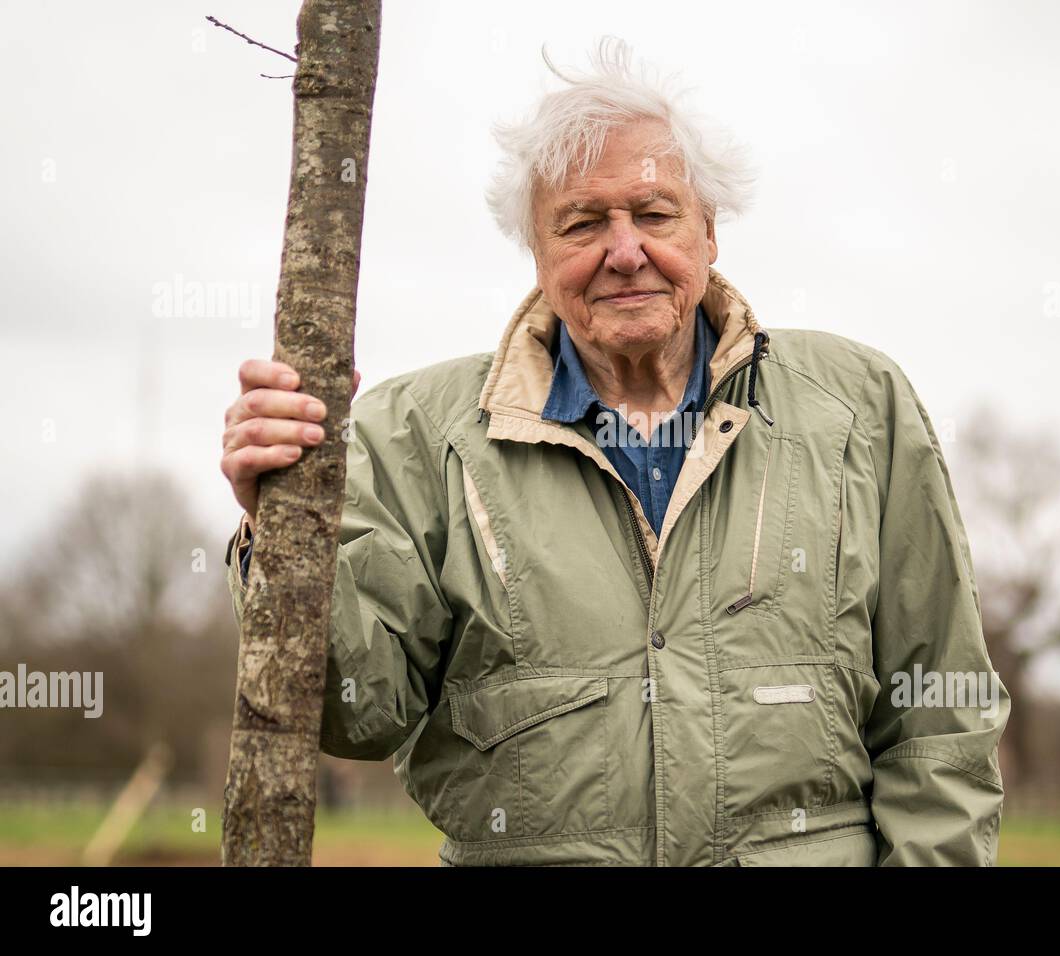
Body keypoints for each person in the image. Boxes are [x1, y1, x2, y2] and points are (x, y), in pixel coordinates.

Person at [220, 37, 1008, 866]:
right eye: (583, 222)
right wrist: (281, 525)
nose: (624, 250)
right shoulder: (411, 433)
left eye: (655, 214)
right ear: (539, 251)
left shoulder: (858, 405)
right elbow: (355, 711)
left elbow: (940, 722)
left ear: (709, 231)